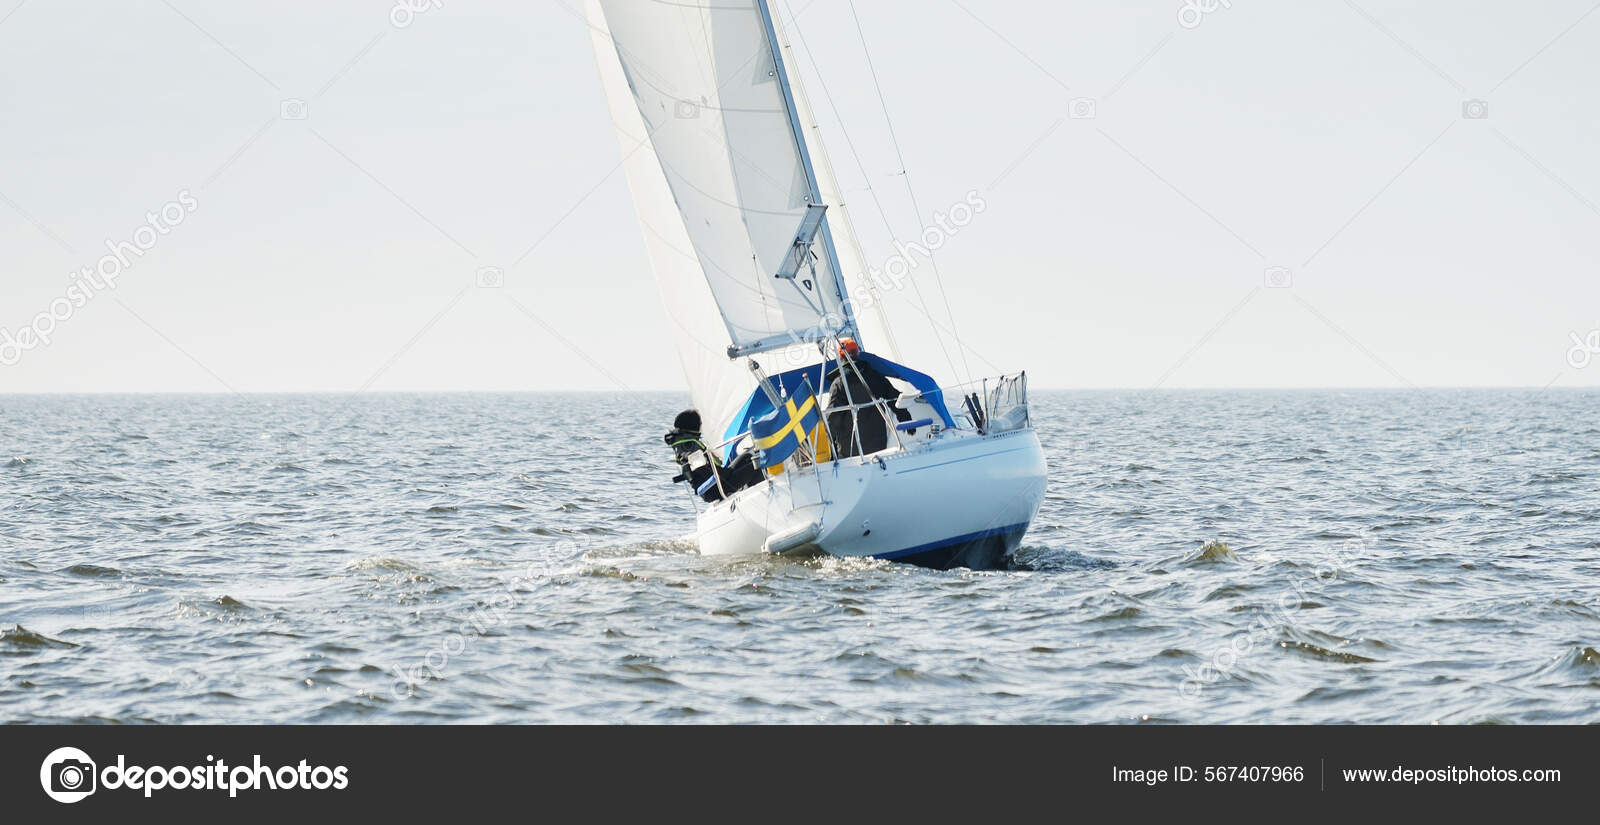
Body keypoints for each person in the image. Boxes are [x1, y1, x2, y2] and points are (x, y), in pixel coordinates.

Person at [824, 338, 911, 457]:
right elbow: (895, 399)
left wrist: (831, 446)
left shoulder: (839, 383)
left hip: (851, 449)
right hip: (878, 444)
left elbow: (833, 418)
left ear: (840, 357)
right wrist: (906, 418)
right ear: (857, 353)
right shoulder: (875, 376)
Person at [663, 409, 765, 502]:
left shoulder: (686, 444)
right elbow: (704, 471)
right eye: (700, 423)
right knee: (758, 464)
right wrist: (726, 473)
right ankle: (761, 499)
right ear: (693, 425)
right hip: (716, 489)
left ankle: (752, 494)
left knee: (747, 457)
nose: (701, 426)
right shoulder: (689, 447)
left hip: (717, 483)